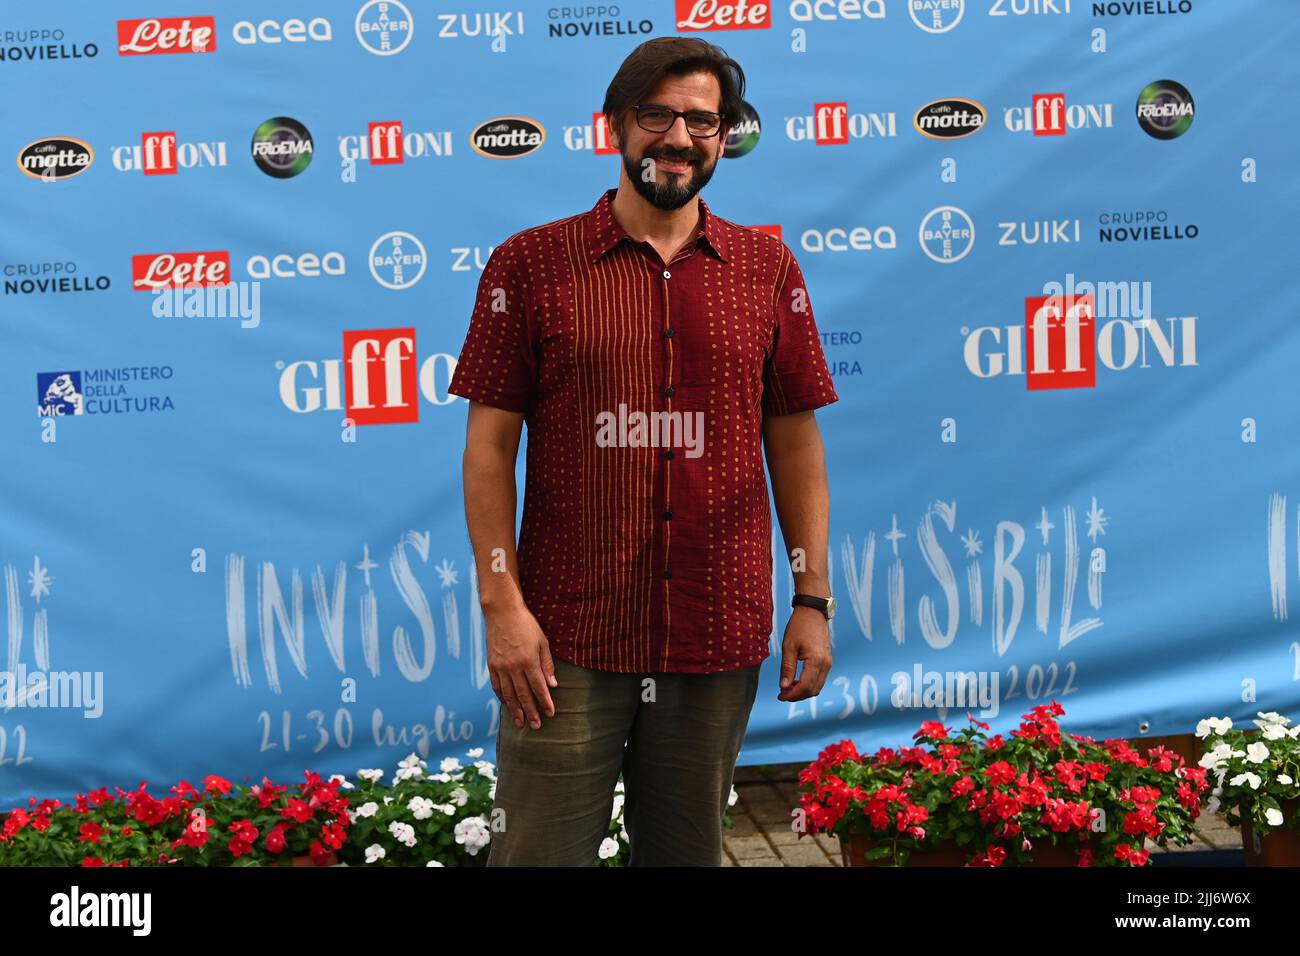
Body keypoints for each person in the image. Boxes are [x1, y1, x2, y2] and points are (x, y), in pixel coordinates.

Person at [449, 35, 839, 866]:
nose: (678, 137)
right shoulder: (531, 263)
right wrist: (501, 607)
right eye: (655, 114)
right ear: (617, 127)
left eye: (703, 121)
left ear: (726, 136)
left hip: (713, 629)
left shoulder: (767, 269)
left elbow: (795, 436)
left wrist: (814, 597)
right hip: (566, 636)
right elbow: (488, 450)